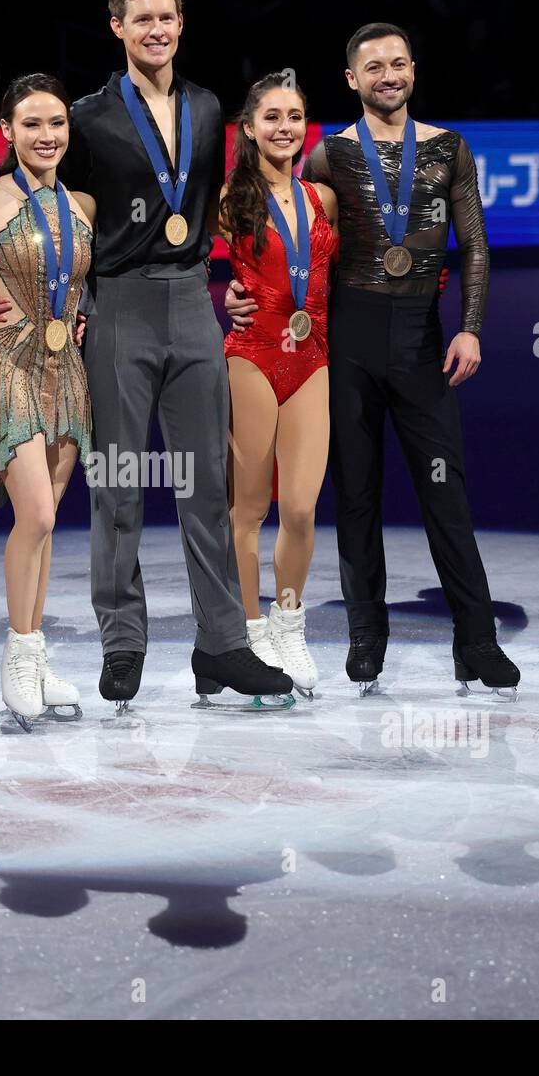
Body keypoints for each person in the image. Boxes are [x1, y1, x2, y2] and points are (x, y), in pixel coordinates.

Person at [0, 0, 293, 713]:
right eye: (141, 18)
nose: (156, 29)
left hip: (192, 302)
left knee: (204, 482)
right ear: (116, 27)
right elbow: (37, 204)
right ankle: (123, 638)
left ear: (182, 24)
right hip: (117, 304)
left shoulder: (212, 109)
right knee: (117, 480)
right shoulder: (83, 117)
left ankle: (222, 645)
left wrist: (243, 280)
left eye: (167, 17)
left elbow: (222, 202)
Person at [226, 22, 521, 699]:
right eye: (373, 67)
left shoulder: (450, 148)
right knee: (356, 497)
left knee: (445, 494)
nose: (388, 75)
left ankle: (476, 639)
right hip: (348, 343)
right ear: (352, 80)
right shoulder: (327, 157)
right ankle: (366, 638)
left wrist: (470, 329)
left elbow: (472, 244)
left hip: (421, 340)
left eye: (398, 63)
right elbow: (290, 241)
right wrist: (245, 296)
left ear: (413, 69)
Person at [0, 74, 95, 731]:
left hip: (65, 369)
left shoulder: (84, 207)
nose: (47, 136)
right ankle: (16, 657)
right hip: (7, 365)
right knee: (36, 517)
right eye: (33, 125)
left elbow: (84, 283)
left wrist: (84, 319)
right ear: (7, 132)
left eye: (57, 124)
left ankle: (36, 650)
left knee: (49, 528)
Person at [218, 74, 338, 698]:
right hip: (253, 355)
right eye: (271, 116)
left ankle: (290, 623)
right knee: (250, 510)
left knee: (300, 507)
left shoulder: (323, 198)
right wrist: (227, 297)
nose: (284, 127)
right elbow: (178, 265)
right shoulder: (229, 199)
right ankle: (251, 626)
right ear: (250, 127)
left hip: (311, 358)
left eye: (294, 115)